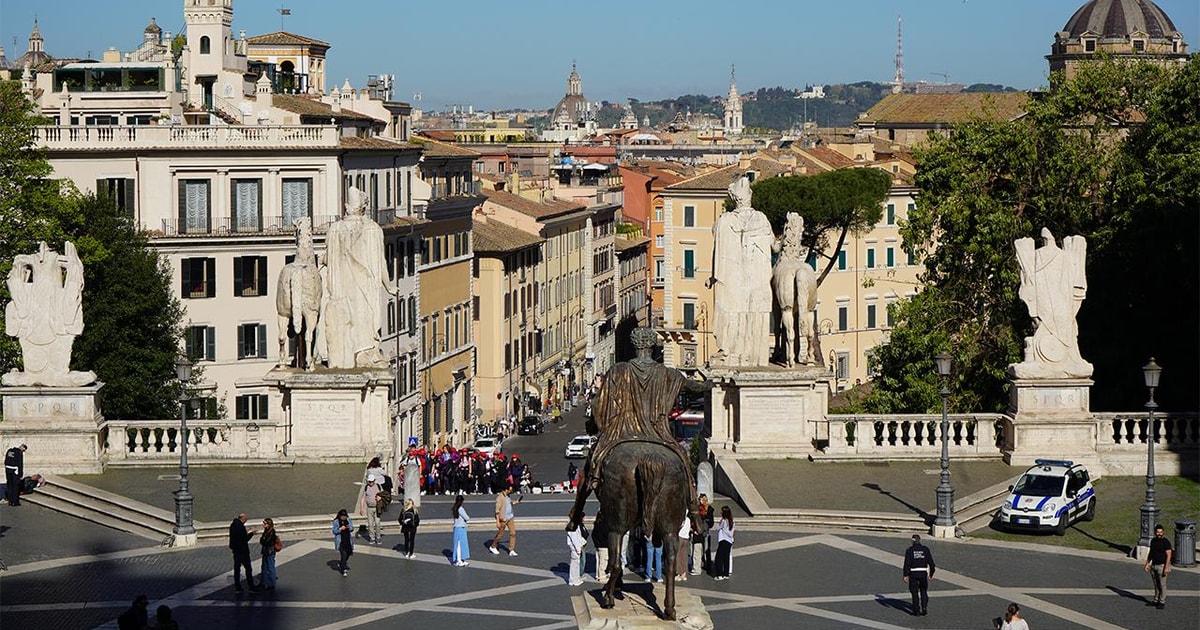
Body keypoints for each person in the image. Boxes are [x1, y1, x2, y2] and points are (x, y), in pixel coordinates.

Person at [320, 186, 398, 369]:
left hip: (342, 288)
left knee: (347, 319)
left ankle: (347, 354)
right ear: (364, 207)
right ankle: (365, 353)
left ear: (347, 206)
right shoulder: (372, 228)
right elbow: (380, 262)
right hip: (365, 287)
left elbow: (327, 259)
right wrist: (388, 286)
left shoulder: (335, 229)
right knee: (365, 320)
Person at [708, 176, 774, 367]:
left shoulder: (725, 221)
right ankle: (750, 356)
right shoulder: (760, 219)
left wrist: (713, 276)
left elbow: (717, 251)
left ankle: (736, 353)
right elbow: (775, 246)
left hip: (739, 281)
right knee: (746, 311)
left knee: (734, 311)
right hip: (750, 281)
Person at [902, 534, 936, 616]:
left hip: (913, 573)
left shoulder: (909, 550)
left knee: (914, 592)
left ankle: (916, 610)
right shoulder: (925, 549)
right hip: (923, 573)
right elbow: (931, 564)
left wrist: (905, 575)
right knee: (924, 591)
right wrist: (931, 574)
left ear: (912, 541)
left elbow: (907, 564)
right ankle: (924, 607)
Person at [1144, 523, 1173, 609]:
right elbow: (1151, 553)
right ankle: (1156, 600)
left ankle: (1162, 601)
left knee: (1162, 585)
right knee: (1156, 584)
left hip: (1162, 566)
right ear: (1155, 532)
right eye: (1158, 532)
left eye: (1161, 532)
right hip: (1154, 565)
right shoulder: (1153, 541)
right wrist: (1147, 563)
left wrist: (1166, 567)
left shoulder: (1166, 542)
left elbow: (1169, 555)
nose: (1159, 534)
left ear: (1163, 532)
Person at [228, 513, 258, 592]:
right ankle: (251, 586)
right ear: (243, 519)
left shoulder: (233, 525)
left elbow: (238, 535)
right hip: (243, 551)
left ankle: (238, 587)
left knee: (237, 569)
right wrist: (251, 533)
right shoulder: (241, 527)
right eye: (246, 520)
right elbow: (245, 539)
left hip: (236, 550)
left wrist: (245, 531)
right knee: (248, 569)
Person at [490, 485, 520, 556]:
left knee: (513, 533)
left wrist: (515, 502)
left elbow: (508, 504)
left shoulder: (508, 496)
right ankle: (493, 546)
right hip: (503, 519)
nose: (511, 491)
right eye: (510, 490)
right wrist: (497, 522)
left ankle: (511, 550)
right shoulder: (500, 497)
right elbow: (497, 511)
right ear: (506, 489)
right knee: (500, 534)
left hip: (510, 517)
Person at [691, 494, 713, 575]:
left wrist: (703, 526)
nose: (699, 501)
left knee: (706, 549)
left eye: (701, 500)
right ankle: (697, 566)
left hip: (704, 532)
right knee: (697, 550)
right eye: (699, 500)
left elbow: (711, 523)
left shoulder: (709, 509)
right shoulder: (697, 509)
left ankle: (707, 565)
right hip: (698, 532)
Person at [713, 506, 735, 580]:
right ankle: (726, 573)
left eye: (722, 511)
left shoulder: (724, 521)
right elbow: (731, 533)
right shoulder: (732, 521)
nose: (720, 512)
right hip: (729, 541)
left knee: (719, 558)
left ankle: (719, 574)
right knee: (726, 558)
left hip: (723, 540)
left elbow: (718, 528)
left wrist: (720, 524)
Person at [566, 511, 587, 586]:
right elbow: (575, 539)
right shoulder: (573, 526)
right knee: (575, 564)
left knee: (575, 564)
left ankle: (574, 579)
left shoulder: (572, 525)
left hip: (575, 547)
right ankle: (574, 580)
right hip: (575, 548)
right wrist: (578, 548)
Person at [258, 517, 279, 591]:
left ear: (269, 524)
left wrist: (263, 540)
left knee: (270, 568)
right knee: (264, 567)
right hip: (265, 551)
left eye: (265, 524)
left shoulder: (272, 532)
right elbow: (262, 541)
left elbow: (265, 542)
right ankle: (263, 582)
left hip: (270, 552)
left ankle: (272, 584)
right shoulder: (266, 531)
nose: (264, 525)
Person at [332, 509, 354, 576]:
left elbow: (352, 528)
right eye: (342, 516)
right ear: (340, 516)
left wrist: (348, 527)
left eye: (345, 516)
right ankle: (344, 569)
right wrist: (340, 529)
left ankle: (342, 563)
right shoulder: (336, 521)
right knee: (343, 554)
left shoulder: (348, 520)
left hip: (348, 540)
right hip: (340, 541)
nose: (344, 517)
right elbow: (334, 531)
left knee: (348, 553)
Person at [451, 495, 470, 566]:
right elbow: (467, 517)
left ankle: (460, 559)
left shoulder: (455, 508)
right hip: (461, 528)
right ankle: (458, 560)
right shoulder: (461, 509)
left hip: (457, 527)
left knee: (458, 544)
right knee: (460, 544)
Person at [363, 474, 382, 545]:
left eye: (371, 481)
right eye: (369, 481)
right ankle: (372, 537)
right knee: (370, 524)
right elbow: (363, 497)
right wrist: (362, 508)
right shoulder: (366, 487)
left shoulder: (378, 486)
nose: (370, 483)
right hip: (369, 508)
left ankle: (378, 537)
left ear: (374, 481)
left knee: (377, 523)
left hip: (377, 507)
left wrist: (380, 498)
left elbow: (383, 495)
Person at [592, 511, 611, 583]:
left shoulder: (596, 524)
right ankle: (602, 576)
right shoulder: (604, 526)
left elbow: (593, 535)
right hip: (604, 546)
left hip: (598, 545)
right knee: (603, 562)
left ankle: (598, 575)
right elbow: (607, 535)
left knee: (598, 561)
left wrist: (596, 543)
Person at [675, 515, 691, 581]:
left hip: (680, 537)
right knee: (684, 556)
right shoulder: (688, 519)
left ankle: (678, 573)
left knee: (678, 556)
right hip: (686, 538)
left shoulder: (680, 519)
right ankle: (684, 574)